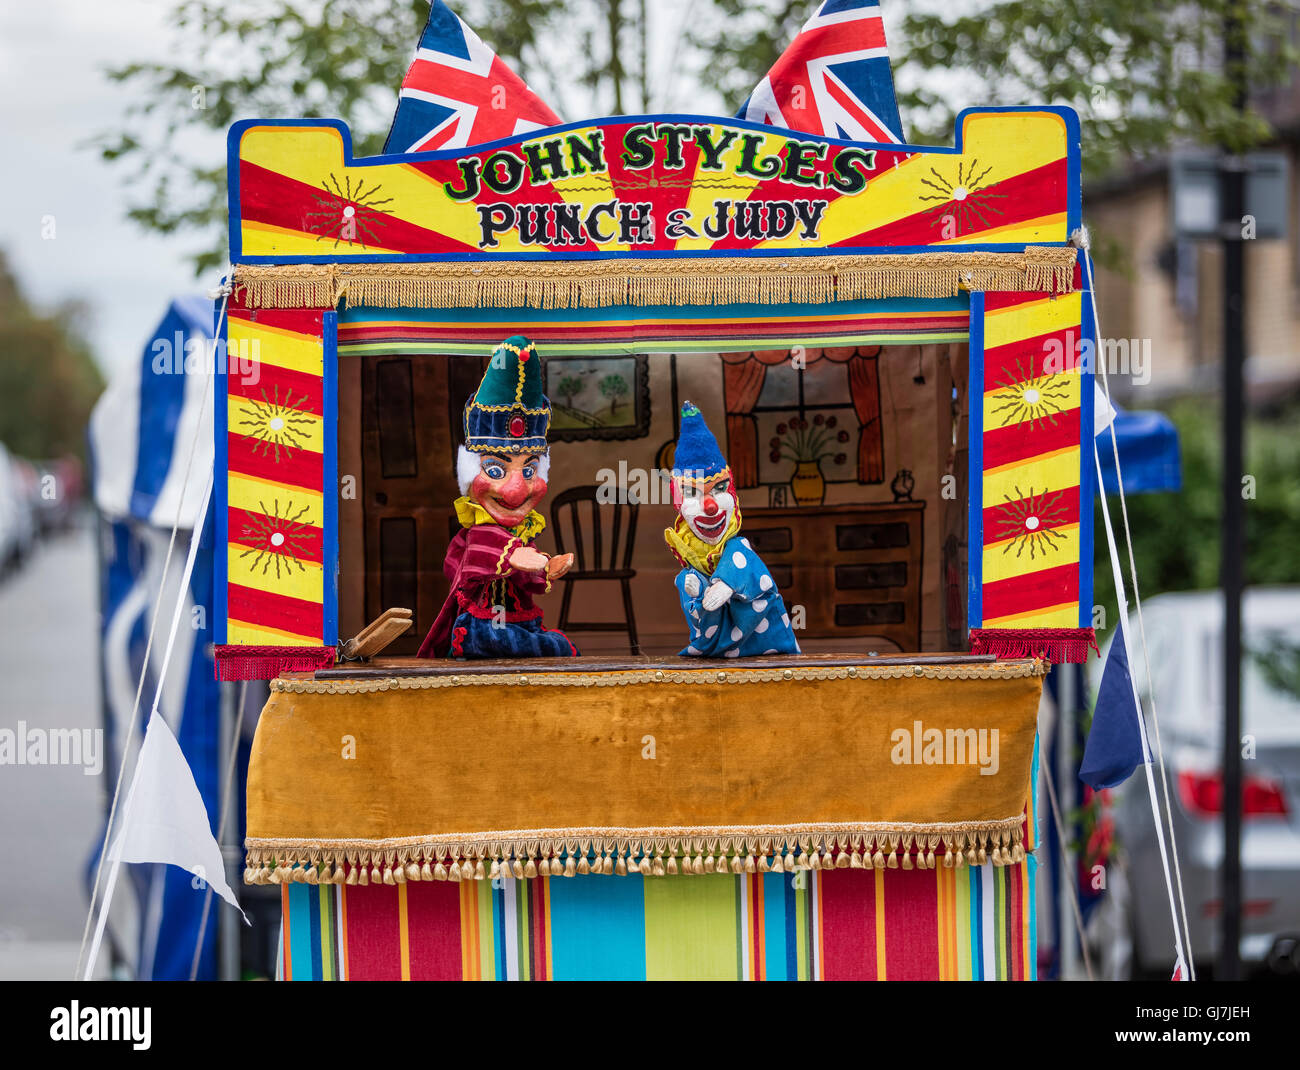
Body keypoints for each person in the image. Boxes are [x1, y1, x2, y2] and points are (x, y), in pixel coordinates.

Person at [416, 335, 578, 659]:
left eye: (529, 471)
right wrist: (515, 558)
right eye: (495, 470)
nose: (515, 489)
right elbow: (470, 564)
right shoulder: (479, 533)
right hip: (481, 622)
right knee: (497, 639)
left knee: (538, 640)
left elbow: (526, 580)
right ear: (470, 472)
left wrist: (544, 570)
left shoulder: (521, 534)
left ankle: (540, 644)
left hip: (519, 618)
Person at [664, 401, 800, 658]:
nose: (711, 506)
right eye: (693, 493)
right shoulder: (690, 561)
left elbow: (747, 567)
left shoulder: (739, 550)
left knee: (738, 548)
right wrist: (697, 590)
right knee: (687, 580)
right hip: (718, 654)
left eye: (719, 489)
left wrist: (727, 584)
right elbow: (700, 613)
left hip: (769, 650)